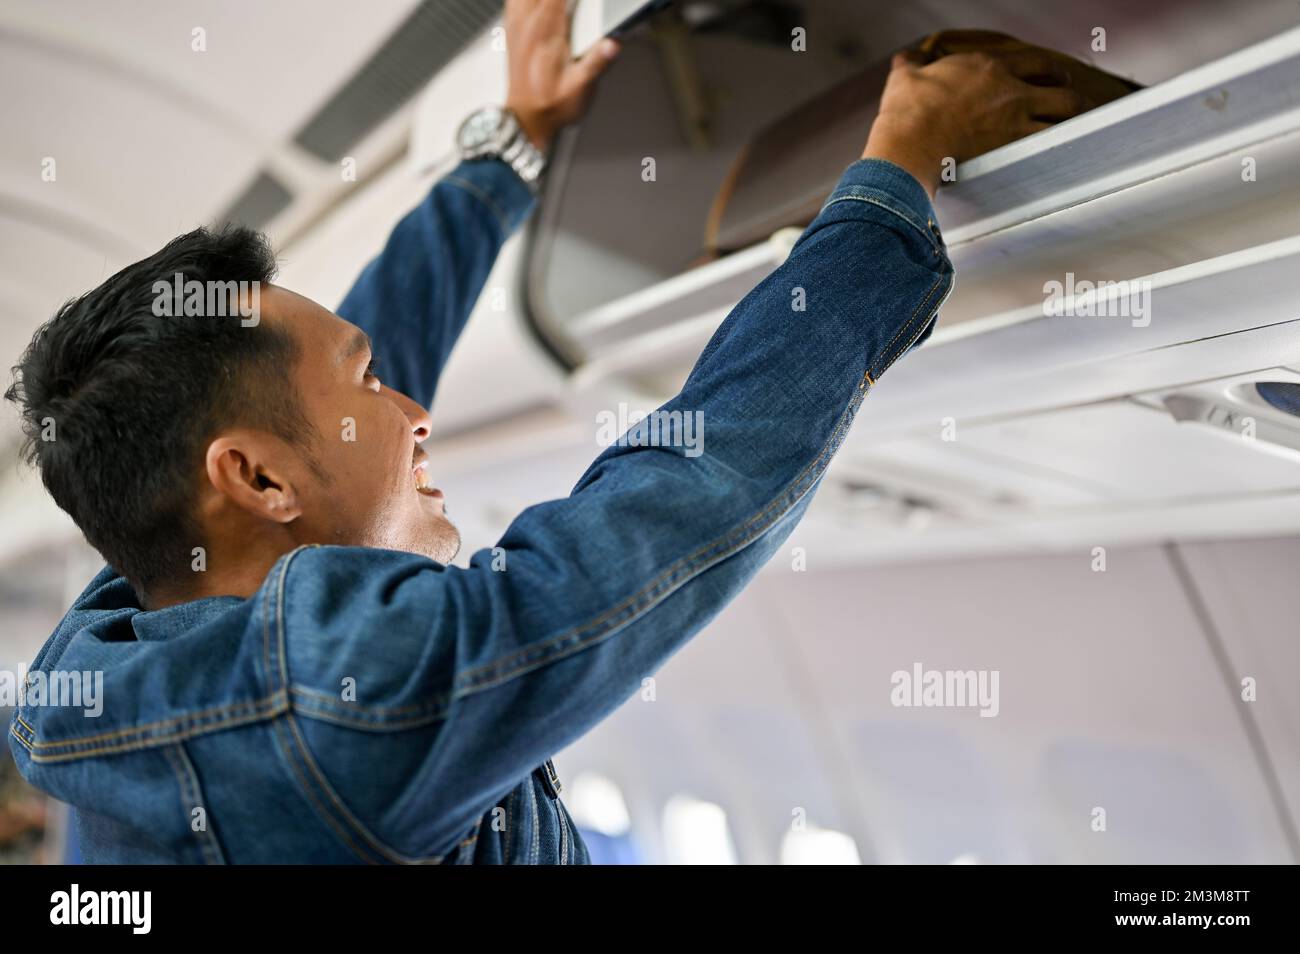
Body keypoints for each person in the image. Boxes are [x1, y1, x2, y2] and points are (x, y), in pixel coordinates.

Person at [4, 1, 1084, 863]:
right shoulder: (330, 713)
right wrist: (896, 170)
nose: (416, 413)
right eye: (373, 386)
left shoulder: (132, 629)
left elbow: (337, 394)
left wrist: (508, 146)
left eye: (380, 378)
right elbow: (682, 499)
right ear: (253, 480)